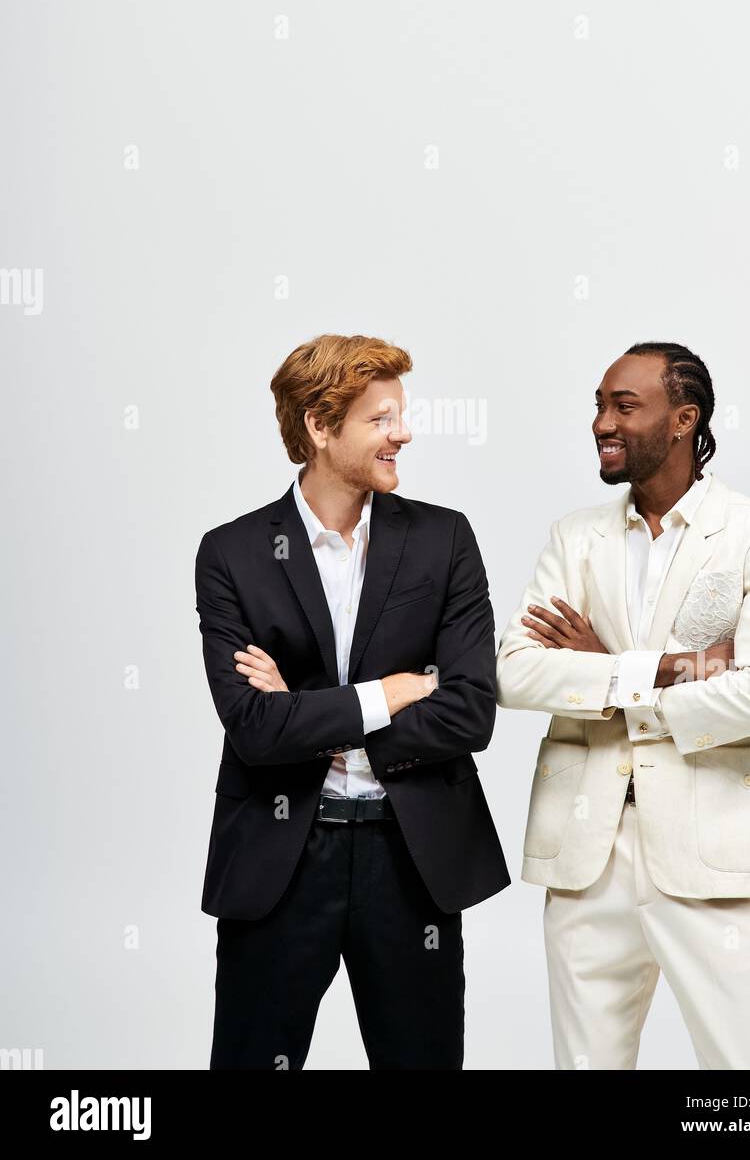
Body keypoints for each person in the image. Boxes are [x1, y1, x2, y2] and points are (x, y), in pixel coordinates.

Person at [196, 333, 509, 1070]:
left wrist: (314, 715)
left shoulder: (444, 540)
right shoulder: (233, 554)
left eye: (401, 414)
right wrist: (390, 694)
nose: (403, 432)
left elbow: (471, 711)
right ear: (318, 425)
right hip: (280, 863)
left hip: (411, 862)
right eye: (380, 418)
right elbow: (255, 732)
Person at [496, 341, 750, 1070]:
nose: (602, 422)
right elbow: (513, 674)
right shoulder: (574, 538)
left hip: (712, 857)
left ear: (682, 420)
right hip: (585, 857)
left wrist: (598, 670)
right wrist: (666, 670)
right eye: (599, 406)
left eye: (623, 406)